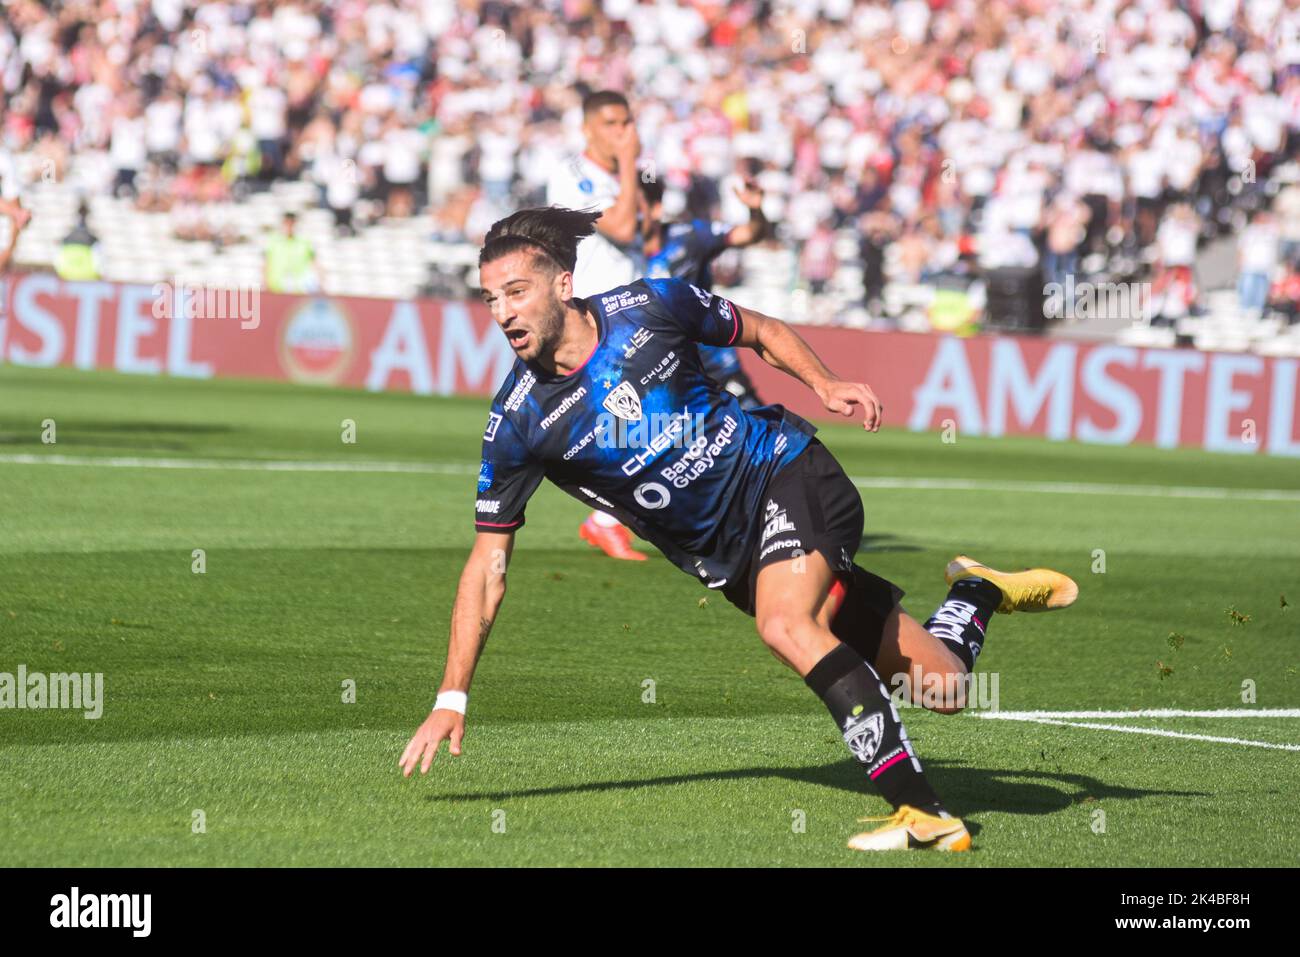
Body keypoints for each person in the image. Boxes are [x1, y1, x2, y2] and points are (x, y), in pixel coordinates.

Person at [398, 207, 1079, 852]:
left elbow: (760, 330)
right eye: (491, 299)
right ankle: (980, 590)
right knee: (945, 688)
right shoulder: (518, 422)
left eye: (516, 291)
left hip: (788, 473)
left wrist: (826, 383)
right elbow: (488, 566)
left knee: (785, 625)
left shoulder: (651, 306)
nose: (503, 312)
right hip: (738, 561)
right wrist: (451, 696)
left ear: (564, 284)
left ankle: (925, 813)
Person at [546, 90, 649, 561]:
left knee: (640, 421)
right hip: (594, 314)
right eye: (611, 124)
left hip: (630, 309)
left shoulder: (621, 179)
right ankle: (605, 520)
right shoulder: (574, 177)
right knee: (632, 421)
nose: (622, 134)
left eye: (627, 123)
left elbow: (648, 233)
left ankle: (610, 520)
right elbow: (624, 229)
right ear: (587, 127)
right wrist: (630, 165)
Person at [641, 175, 767, 410]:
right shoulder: (615, 259)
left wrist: (755, 210)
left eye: (635, 206)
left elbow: (750, 233)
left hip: (715, 365)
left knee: (758, 430)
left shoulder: (688, 236)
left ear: (656, 209)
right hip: (664, 373)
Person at [264, 211, 318, 293]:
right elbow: (266, 264)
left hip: (299, 290)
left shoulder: (304, 242)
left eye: (292, 223)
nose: (289, 226)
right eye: (287, 223)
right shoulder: (273, 241)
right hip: (276, 289)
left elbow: (314, 263)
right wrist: (266, 283)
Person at [54, 200, 100, 281]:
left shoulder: (66, 238)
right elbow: (98, 260)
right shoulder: (93, 239)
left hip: (68, 276)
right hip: (87, 278)